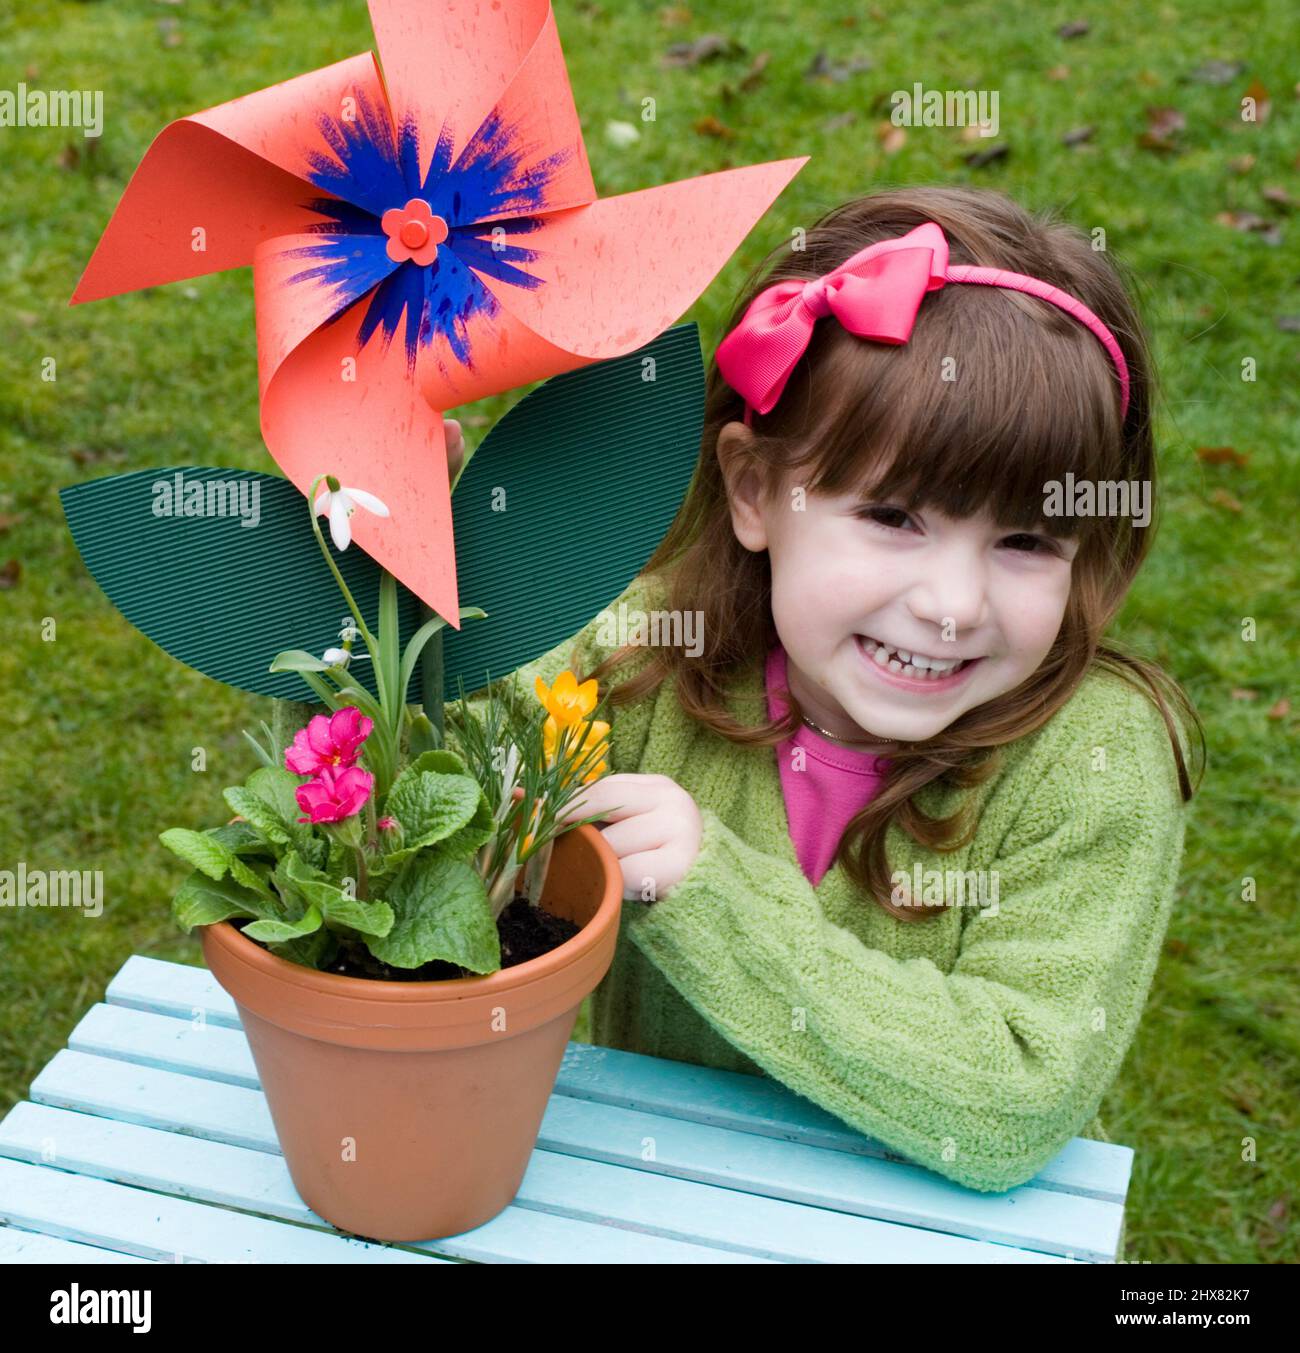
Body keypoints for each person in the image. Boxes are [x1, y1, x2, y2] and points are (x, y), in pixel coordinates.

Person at [453, 186, 1205, 1217]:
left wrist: (708, 892)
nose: (950, 605)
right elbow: (430, 807)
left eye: (1026, 542)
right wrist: (413, 591)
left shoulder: (1092, 761)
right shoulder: (638, 660)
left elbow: (1014, 1095)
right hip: (636, 1204)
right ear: (756, 491)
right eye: (894, 517)